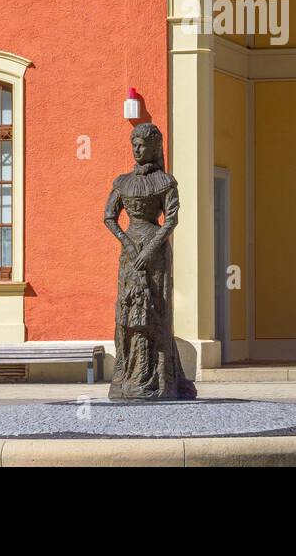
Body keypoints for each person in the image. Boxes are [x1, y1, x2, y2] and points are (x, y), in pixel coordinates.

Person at [102, 123, 197, 400]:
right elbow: (109, 216)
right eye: (134, 144)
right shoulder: (122, 181)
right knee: (128, 312)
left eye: (142, 145)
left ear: (154, 147)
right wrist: (128, 244)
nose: (137, 149)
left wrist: (151, 248)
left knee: (154, 311)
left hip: (155, 253)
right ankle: (126, 376)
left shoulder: (165, 181)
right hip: (130, 252)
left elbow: (171, 220)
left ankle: (157, 379)